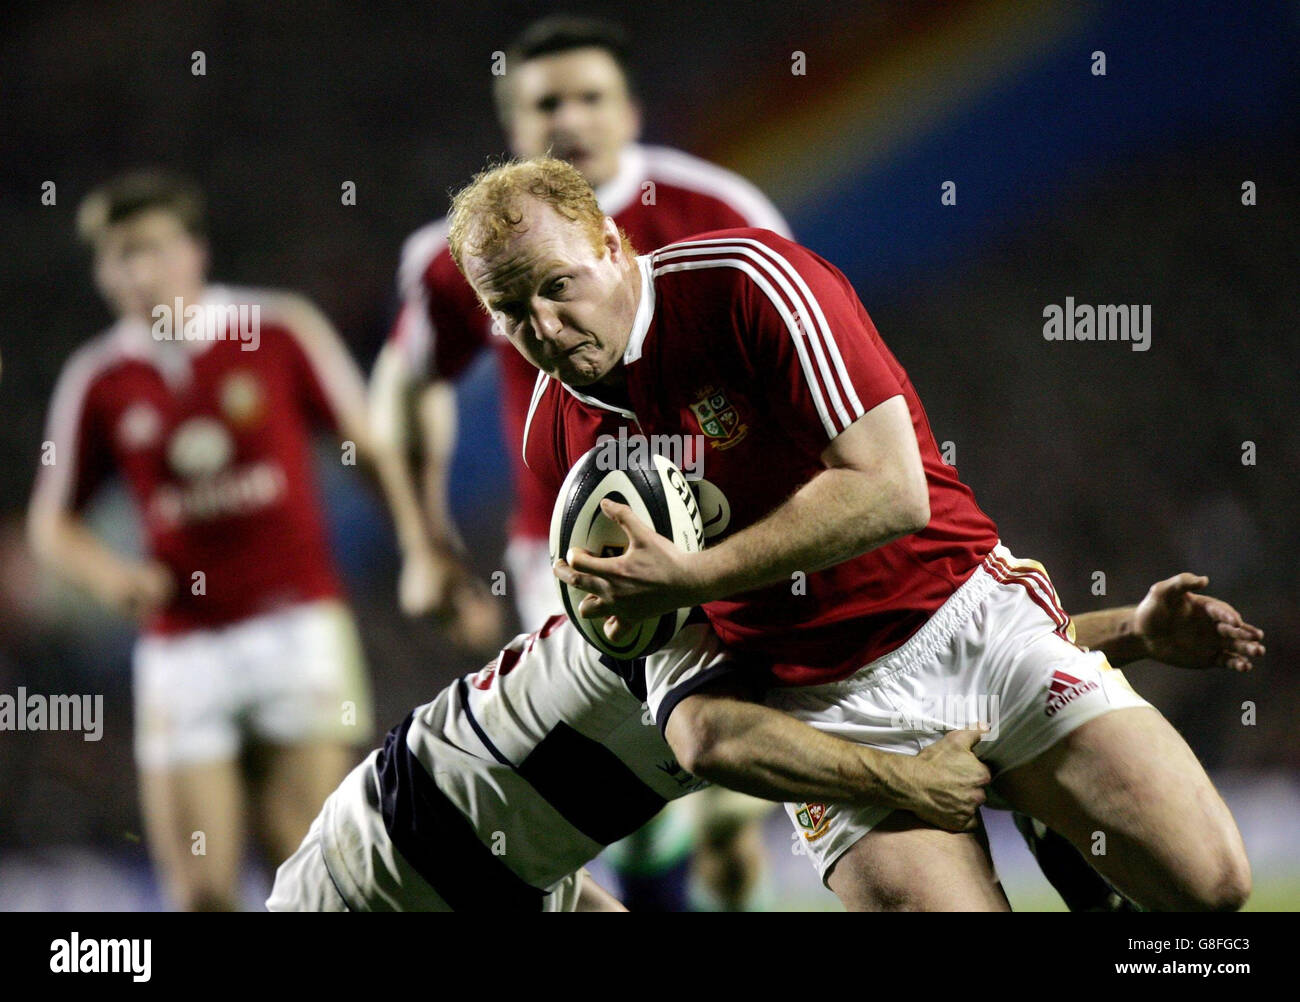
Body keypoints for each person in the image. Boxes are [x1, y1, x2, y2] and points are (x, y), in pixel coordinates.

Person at [446, 156, 1260, 910]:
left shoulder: (746, 284)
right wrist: (897, 779)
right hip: (823, 710)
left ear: (614, 248)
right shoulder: (559, 447)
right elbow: (697, 718)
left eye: (558, 286)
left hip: (969, 623)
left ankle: (1040, 798)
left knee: (1210, 890)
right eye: (510, 311)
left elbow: (891, 492)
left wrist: (696, 577)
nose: (544, 328)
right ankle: (1032, 785)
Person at [369, 15, 790, 910]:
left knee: (727, 804)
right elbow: (403, 393)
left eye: (590, 96)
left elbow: (808, 361)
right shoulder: (467, 251)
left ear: (630, 108)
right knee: (634, 803)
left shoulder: (721, 209)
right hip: (576, 561)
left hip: (732, 540)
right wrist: (423, 539)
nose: (570, 117)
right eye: (544, 102)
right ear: (512, 126)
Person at [27, 170, 447, 910]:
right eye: (119, 256)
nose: (138, 271)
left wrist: (423, 550)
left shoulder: (278, 328)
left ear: (195, 251)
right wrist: (111, 577)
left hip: (298, 627)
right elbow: (50, 522)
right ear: (102, 273)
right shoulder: (99, 379)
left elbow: (370, 449)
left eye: (152, 248)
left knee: (306, 868)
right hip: (183, 646)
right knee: (202, 894)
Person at [267, 613, 992, 911]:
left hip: (505, 867)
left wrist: (1071, 664)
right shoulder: (693, 621)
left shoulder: (777, 620)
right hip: (385, 867)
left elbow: (946, 664)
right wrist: (911, 780)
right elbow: (710, 738)